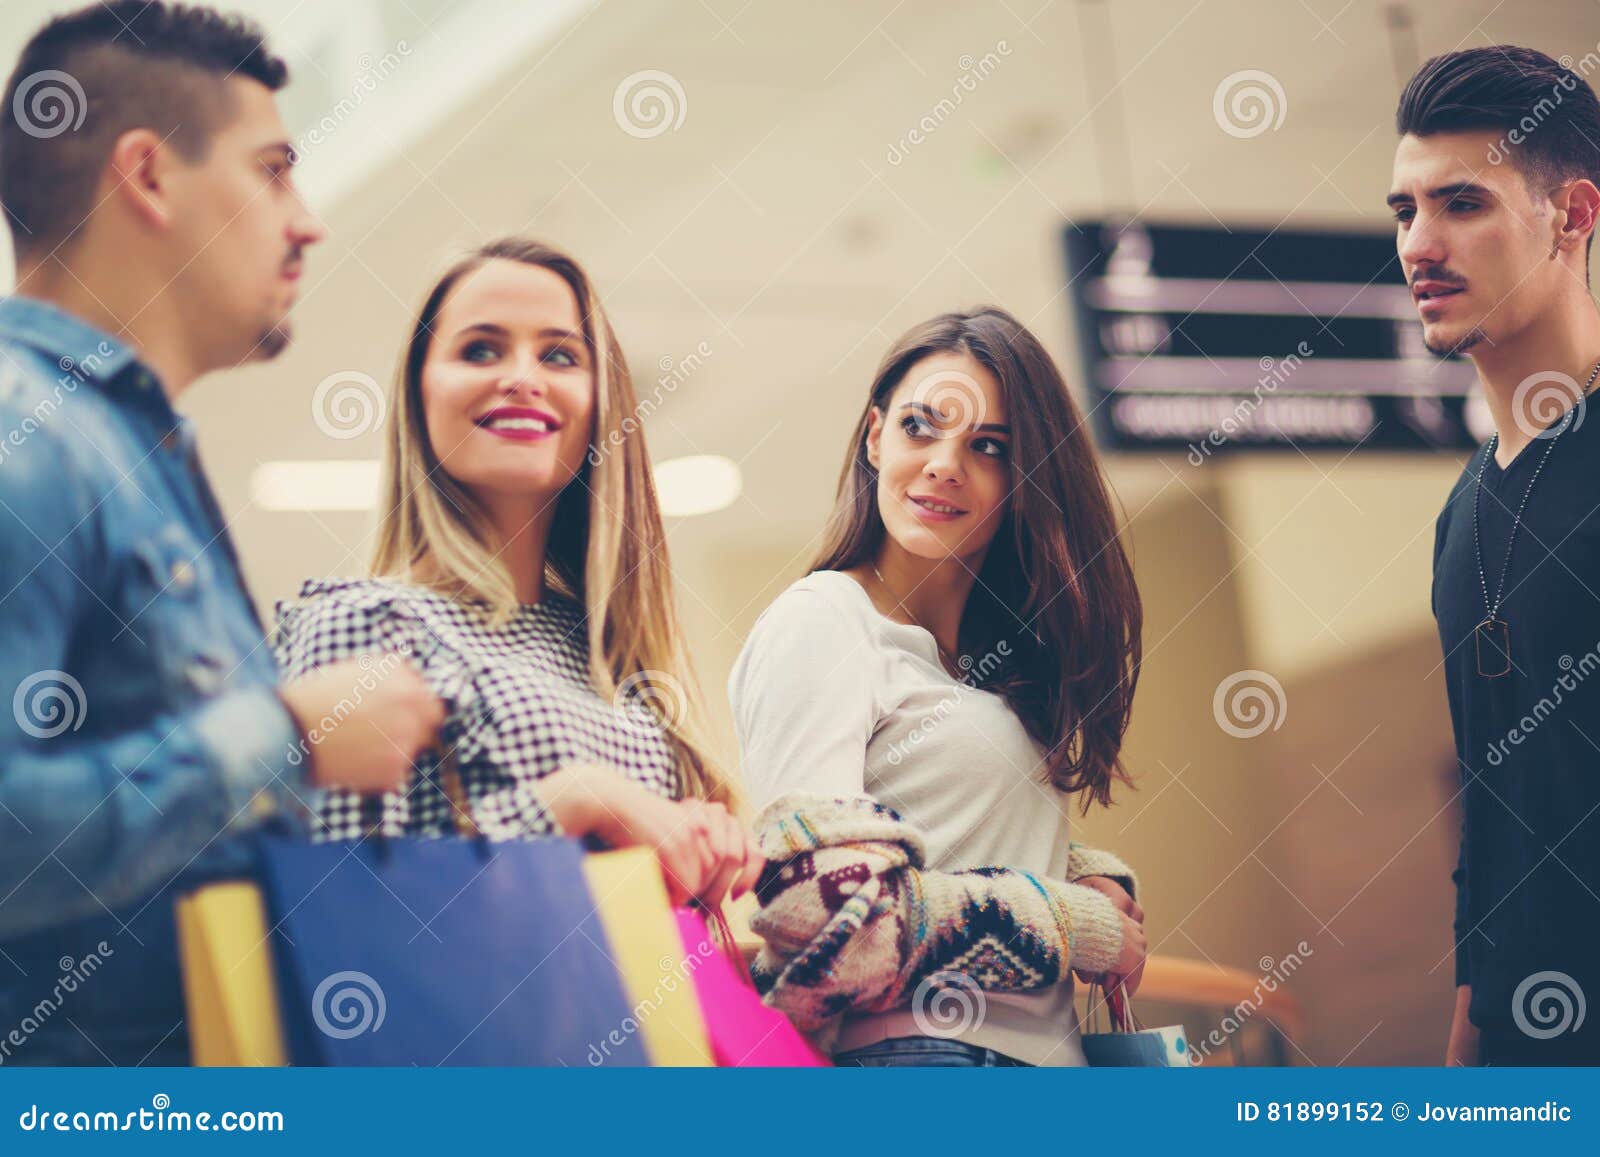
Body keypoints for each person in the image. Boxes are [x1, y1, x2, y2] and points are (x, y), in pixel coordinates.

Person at [0, 3, 442, 1066]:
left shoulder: (128, 448)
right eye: (273, 171)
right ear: (148, 176)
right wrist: (282, 736)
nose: (308, 222)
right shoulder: (29, 433)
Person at [274, 238, 764, 910]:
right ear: (419, 395)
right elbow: (339, 910)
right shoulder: (366, 625)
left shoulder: (610, 653)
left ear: (600, 402)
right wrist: (576, 800)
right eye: (480, 349)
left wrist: (700, 842)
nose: (523, 377)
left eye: (559, 355)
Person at [730, 307, 1147, 1067]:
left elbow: (939, 829)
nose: (945, 464)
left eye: (989, 447)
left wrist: (1079, 870)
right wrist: (1075, 922)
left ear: (1026, 479)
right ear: (874, 437)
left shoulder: (988, 659)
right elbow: (826, 919)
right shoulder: (822, 622)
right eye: (920, 427)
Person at [1392, 45, 1600, 1066]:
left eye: (1462, 203)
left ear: (1572, 215)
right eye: (1404, 211)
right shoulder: (1463, 513)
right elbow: (1493, 798)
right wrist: (1472, 1019)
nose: (1418, 245)